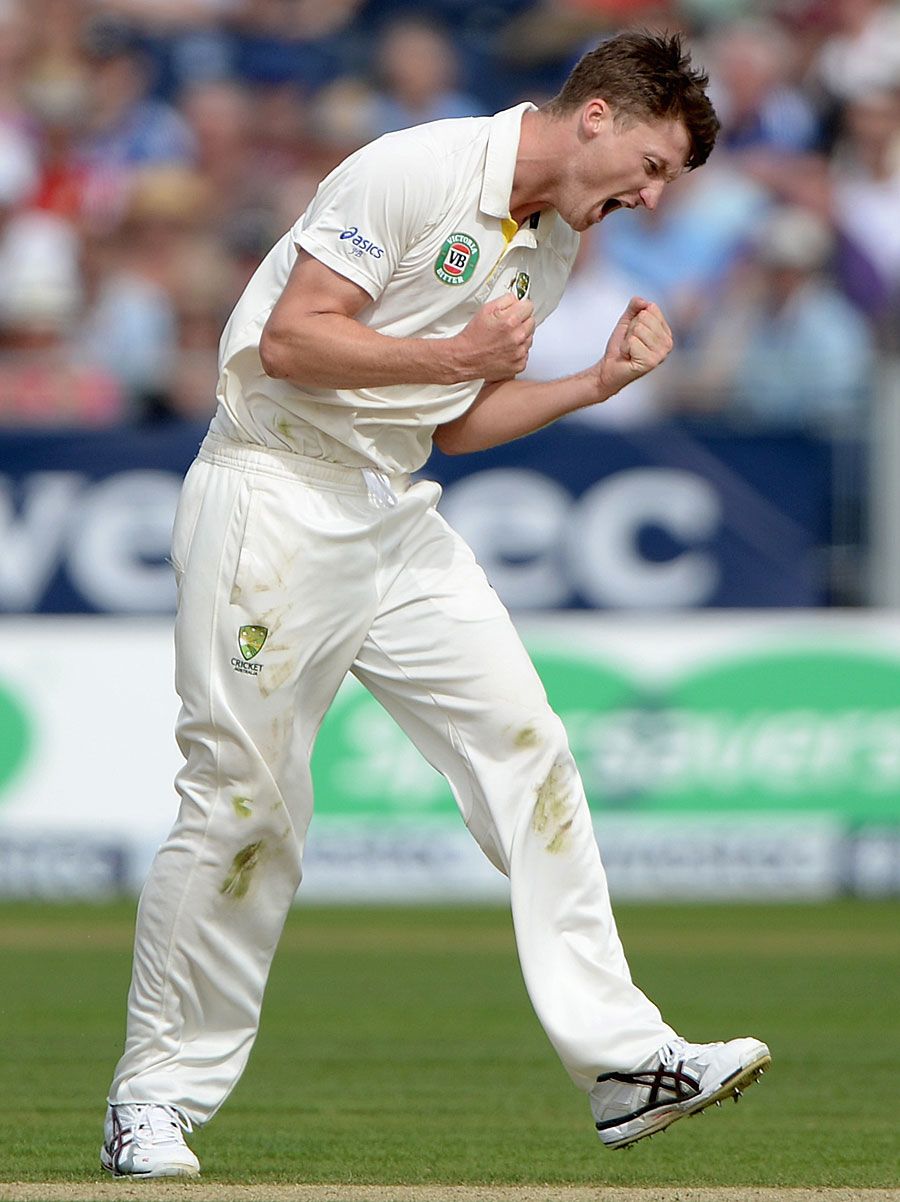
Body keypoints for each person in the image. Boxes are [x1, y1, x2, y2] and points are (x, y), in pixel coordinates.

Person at [101, 29, 770, 1179]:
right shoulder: (417, 168)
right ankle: (151, 1098)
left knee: (532, 751)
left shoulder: (550, 244)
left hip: (390, 508)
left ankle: (625, 1064)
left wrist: (593, 383)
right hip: (272, 489)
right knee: (247, 806)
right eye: (653, 166)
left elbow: (453, 421)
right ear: (599, 115)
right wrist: (454, 348)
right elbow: (291, 340)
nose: (653, 199)